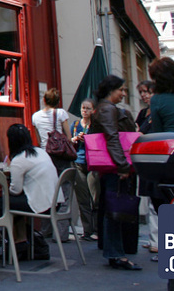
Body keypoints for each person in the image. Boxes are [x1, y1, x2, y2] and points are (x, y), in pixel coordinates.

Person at [90, 74, 142, 271]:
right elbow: (112, 137)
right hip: (114, 168)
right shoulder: (107, 109)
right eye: (120, 89)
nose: (123, 93)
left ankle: (115, 253)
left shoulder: (104, 108)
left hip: (112, 166)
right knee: (114, 210)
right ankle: (116, 254)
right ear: (111, 90)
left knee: (113, 209)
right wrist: (122, 166)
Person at [6, 123, 59, 256]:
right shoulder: (41, 152)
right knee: (14, 205)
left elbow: (15, 190)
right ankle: (21, 241)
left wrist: (6, 188)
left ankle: (18, 242)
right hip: (55, 202)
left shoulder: (19, 159)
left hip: (40, 204)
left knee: (3, 204)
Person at [31, 88, 73, 239]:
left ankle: (45, 229)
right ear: (58, 101)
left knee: (47, 193)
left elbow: (38, 139)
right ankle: (60, 234)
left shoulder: (35, 116)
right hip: (60, 156)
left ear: (44, 100)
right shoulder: (61, 113)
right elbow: (68, 137)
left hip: (45, 156)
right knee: (65, 192)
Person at [71, 98, 99, 241]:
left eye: (88, 108)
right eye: (83, 108)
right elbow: (69, 140)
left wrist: (88, 139)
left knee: (95, 198)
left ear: (93, 110)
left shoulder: (95, 125)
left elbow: (100, 141)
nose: (85, 111)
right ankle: (87, 230)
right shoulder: (75, 124)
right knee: (83, 199)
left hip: (93, 163)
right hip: (78, 162)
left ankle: (96, 229)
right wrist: (75, 139)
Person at [135, 80, 157, 258]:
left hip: (156, 159)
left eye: (147, 92)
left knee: (155, 201)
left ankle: (157, 241)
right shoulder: (143, 113)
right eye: (141, 92)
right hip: (145, 160)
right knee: (150, 199)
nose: (144, 95)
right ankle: (154, 239)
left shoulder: (158, 112)